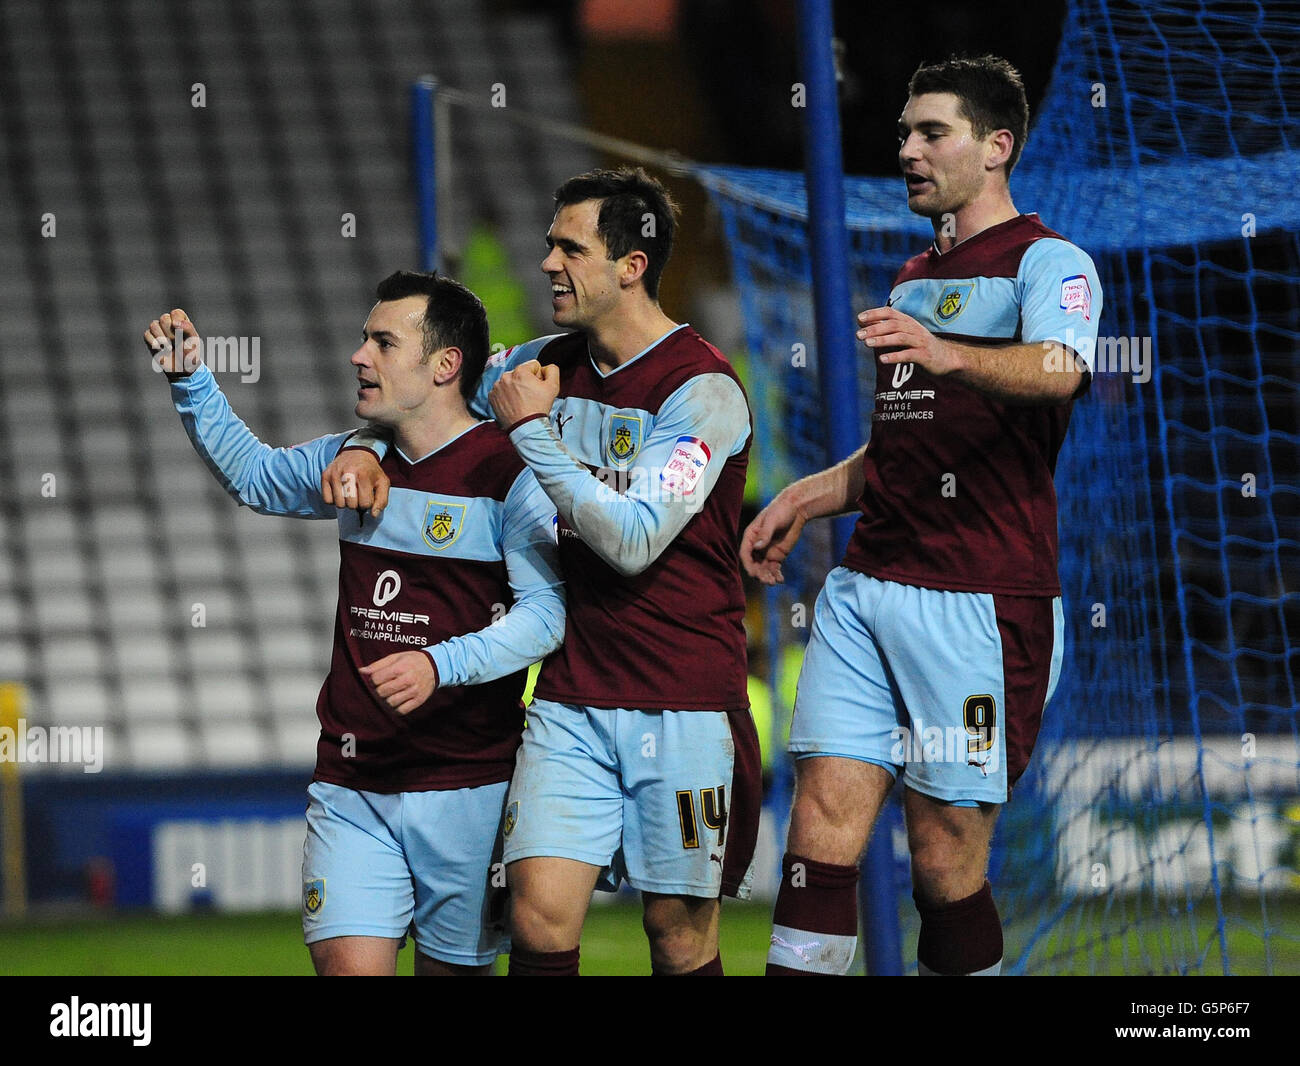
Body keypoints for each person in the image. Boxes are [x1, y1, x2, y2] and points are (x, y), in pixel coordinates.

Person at [322, 168, 762, 976]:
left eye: (570, 247)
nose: (548, 263)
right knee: (537, 916)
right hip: (569, 698)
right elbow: (424, 402)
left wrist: (534, 436)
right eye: (548, 245)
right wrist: (364, 445)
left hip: (686, 703)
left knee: (676, 932)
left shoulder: (703, 392)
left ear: (631, 265)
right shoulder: (531, 366)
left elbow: (633, 541)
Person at [742, 55, 1103, 976]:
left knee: (943, 856)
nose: (906, 149)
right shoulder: (911, 278)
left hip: (978, 596)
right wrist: (805, 494)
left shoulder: (1049, 261)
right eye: (903, 132)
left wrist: (949, 354)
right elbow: (901, 446)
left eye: (930, 132)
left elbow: (1061, 369)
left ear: (995, 148)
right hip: (867, 584)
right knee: (820, 824)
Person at [145, 270, 565, 975]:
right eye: (363, 339)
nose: (358, 355)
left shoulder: (508, 476)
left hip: (472, 787)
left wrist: (440, 663)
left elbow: (548, 614)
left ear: (444, 365)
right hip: (352, 782)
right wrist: (192, 381)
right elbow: (255, 476)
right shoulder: (353, 461)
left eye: (382, 341)